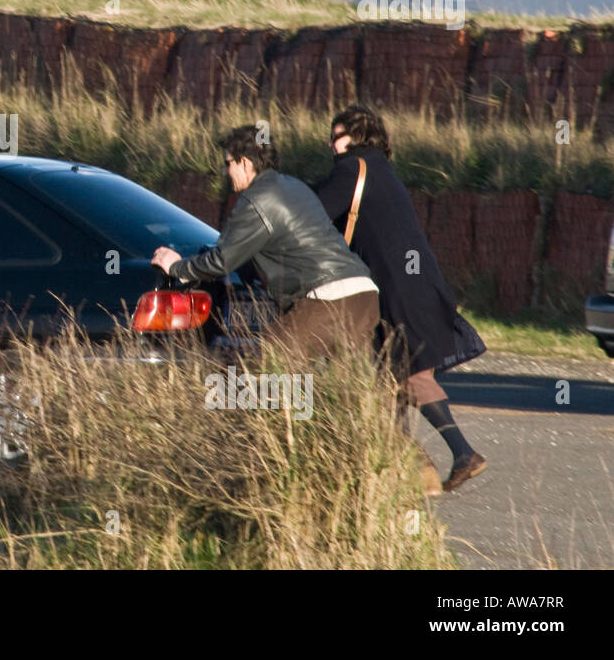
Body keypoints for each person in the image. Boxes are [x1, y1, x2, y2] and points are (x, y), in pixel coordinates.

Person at [313, 104, 487, 492]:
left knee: (405, 375)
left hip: (397, 288)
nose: (330, 143)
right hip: (416, 282)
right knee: (390, 377)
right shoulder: (380, 168)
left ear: (357, 138)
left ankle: (457, 455)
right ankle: (416, 467)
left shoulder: (352, 168)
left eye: (337, 135)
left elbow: (314, 212)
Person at [152, 124, 380, 360]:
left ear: (245, 163)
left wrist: (177, 267)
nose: (225, 171)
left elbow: (222, 260)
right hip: (364, 295)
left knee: (266, 371)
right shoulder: (295, 186)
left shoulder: (255, 200)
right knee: (341, 389)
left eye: (228, 163)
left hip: (328, 299)